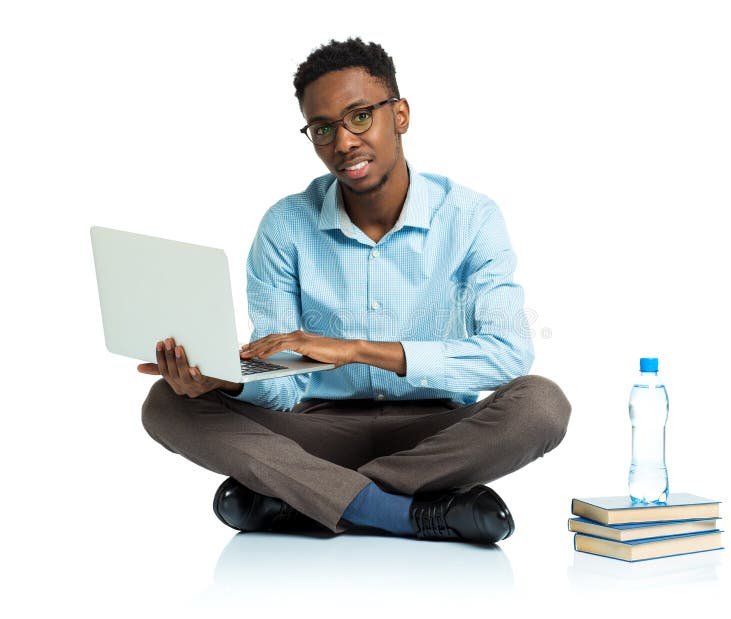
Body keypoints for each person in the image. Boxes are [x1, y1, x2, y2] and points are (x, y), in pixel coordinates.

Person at [139, 37, 571, 544]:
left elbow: (508, 354)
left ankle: (302, 498)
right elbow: (281, 386)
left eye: (360, 116)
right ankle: (399, 511)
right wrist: (225, 382)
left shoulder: (472, 218)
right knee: (165, 404)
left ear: (401, 115)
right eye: (322, 129)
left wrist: (357, 350)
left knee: (542, 405)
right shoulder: (286, 225)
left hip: (439, 434)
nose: (343, 143)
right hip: (315, 433)